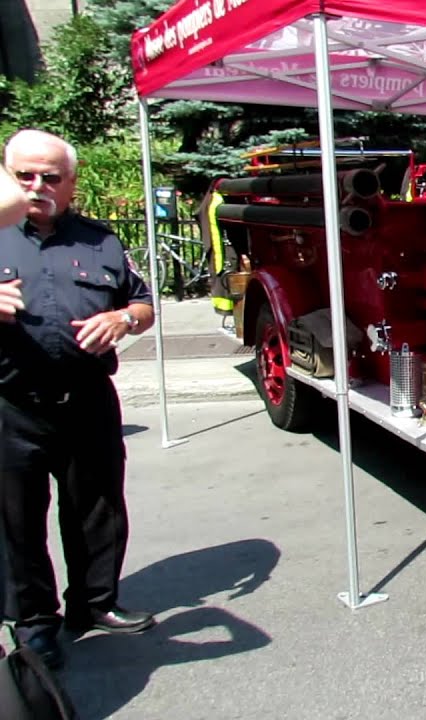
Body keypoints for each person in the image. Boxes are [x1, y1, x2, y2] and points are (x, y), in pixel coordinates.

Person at [0, 129, 157, 670]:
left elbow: (142, 305)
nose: (38, 186)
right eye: (25, 176)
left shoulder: (100, 241)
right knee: (17, 521)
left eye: (51, 176)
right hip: (11, 403)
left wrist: (122, 317)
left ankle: (94, 605)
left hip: (87, 398)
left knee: (98, 510)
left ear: (71, 181)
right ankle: (34, 622)